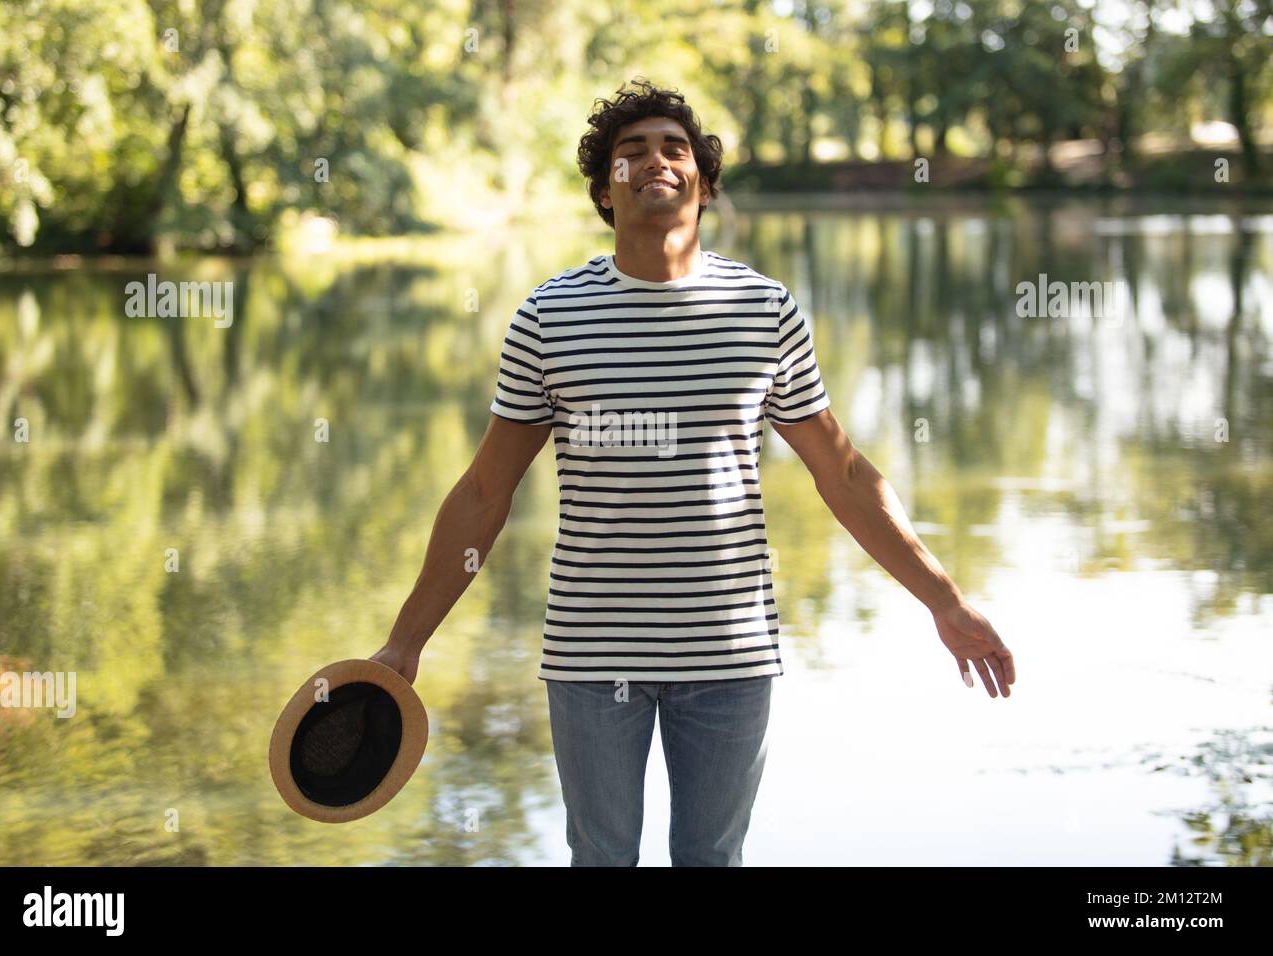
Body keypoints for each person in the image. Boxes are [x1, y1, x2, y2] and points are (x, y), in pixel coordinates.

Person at [371, 78, 1016, 866]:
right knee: (601, 857)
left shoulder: (764, 309)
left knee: (712, 860)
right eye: (630, 152)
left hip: (731, 651)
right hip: (592, 650)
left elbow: (843, 475)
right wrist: (406, 644)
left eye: (674, 148)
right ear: (604, 190)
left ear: (704, 184)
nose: (654, 161)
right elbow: (482, 493)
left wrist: (944, 601)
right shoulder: (549, 316)